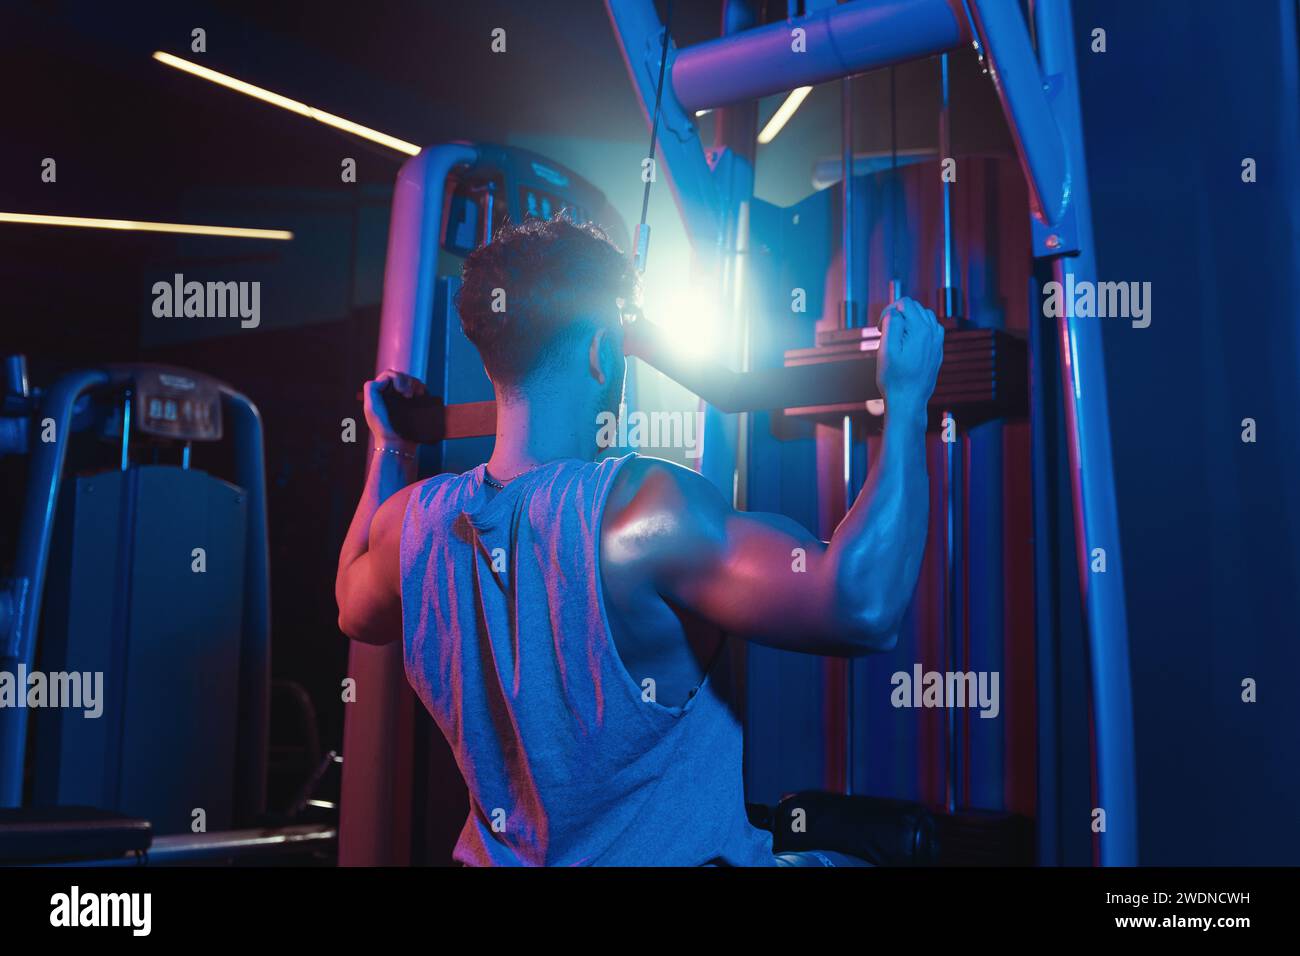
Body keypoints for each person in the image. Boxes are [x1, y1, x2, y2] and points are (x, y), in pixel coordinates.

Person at [335, 214, 944, 866]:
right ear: (603, 351)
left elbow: (350, 604)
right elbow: (863, 607)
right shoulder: (641, 512)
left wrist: (390, 448)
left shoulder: (413, 524)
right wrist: (906, 401)